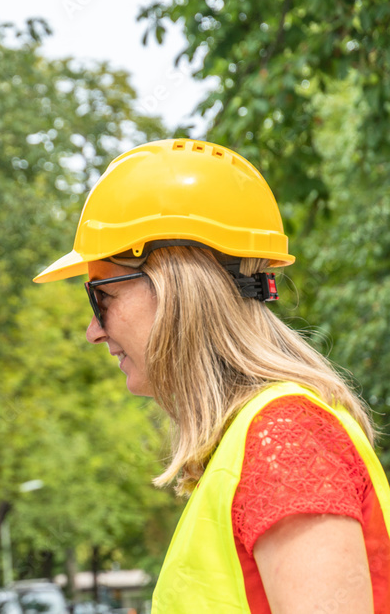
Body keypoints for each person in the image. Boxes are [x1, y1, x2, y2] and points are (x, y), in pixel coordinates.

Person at [33, 139, 389, 613]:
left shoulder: (285, 438)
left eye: (101, 298)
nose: (92, 331)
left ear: (177, 288)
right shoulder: (257, 439)